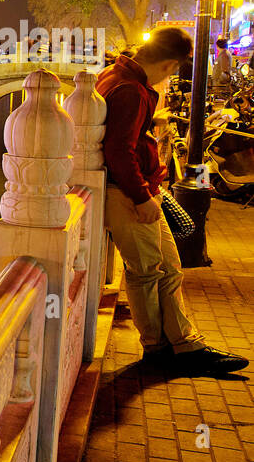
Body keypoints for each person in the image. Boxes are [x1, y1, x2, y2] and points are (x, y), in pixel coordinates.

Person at [96, 27, 247, 374]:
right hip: (129, 194)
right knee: (147, 272)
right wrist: (141, 197)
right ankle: (157, 348)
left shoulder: (116, 75)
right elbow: (119, 149)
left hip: (141, 189)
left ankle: (184, 343)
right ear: (167, 64)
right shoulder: (131, 89)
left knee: (169, 267)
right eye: (174, 69)